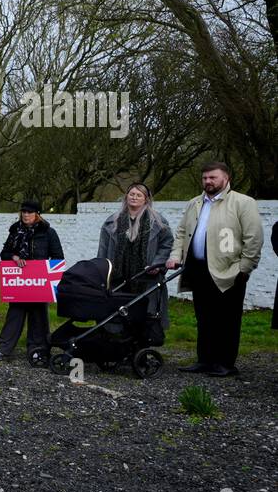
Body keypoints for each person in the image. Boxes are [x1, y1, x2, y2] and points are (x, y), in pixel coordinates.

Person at [167, 161, 263, 376]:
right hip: (199, 270)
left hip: (229, 271)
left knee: (227, 319)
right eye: (205, 178)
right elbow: (182, 233)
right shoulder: (195, 203)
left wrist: (244, 269)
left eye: (213, 177)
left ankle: (225, 363)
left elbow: (253, 237)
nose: (208, 181)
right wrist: (175, 256)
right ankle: (205, 360)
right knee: (204, 318)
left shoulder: (243, 203)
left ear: (226, 178)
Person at [96, 183, 173, 343]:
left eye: (139, 195)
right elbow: (103, 249)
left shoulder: (158, 222)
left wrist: (157, 264)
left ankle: (141, 345)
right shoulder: (112, 222)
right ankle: (120, 344)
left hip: (146, 276)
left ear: (146, 199)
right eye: (132, 194)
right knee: (119, 311)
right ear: (126, 196)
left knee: (144, 312)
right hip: (118, 276)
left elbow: (167, 245)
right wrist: (102, 270)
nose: (134, 197)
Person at [0, 199, 64, 362]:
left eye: (29, 212)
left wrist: (42, 269)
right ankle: (4, 348)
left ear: (37, 214)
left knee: (39, 316)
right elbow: (5, 253)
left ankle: (38, 349)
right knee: (15, 314)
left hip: (39, 281)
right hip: (19, 281)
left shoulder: (48, 232)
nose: (25, 215)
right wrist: (14, 257)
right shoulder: (15, 230)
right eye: (23, 211)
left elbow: (58, 257)